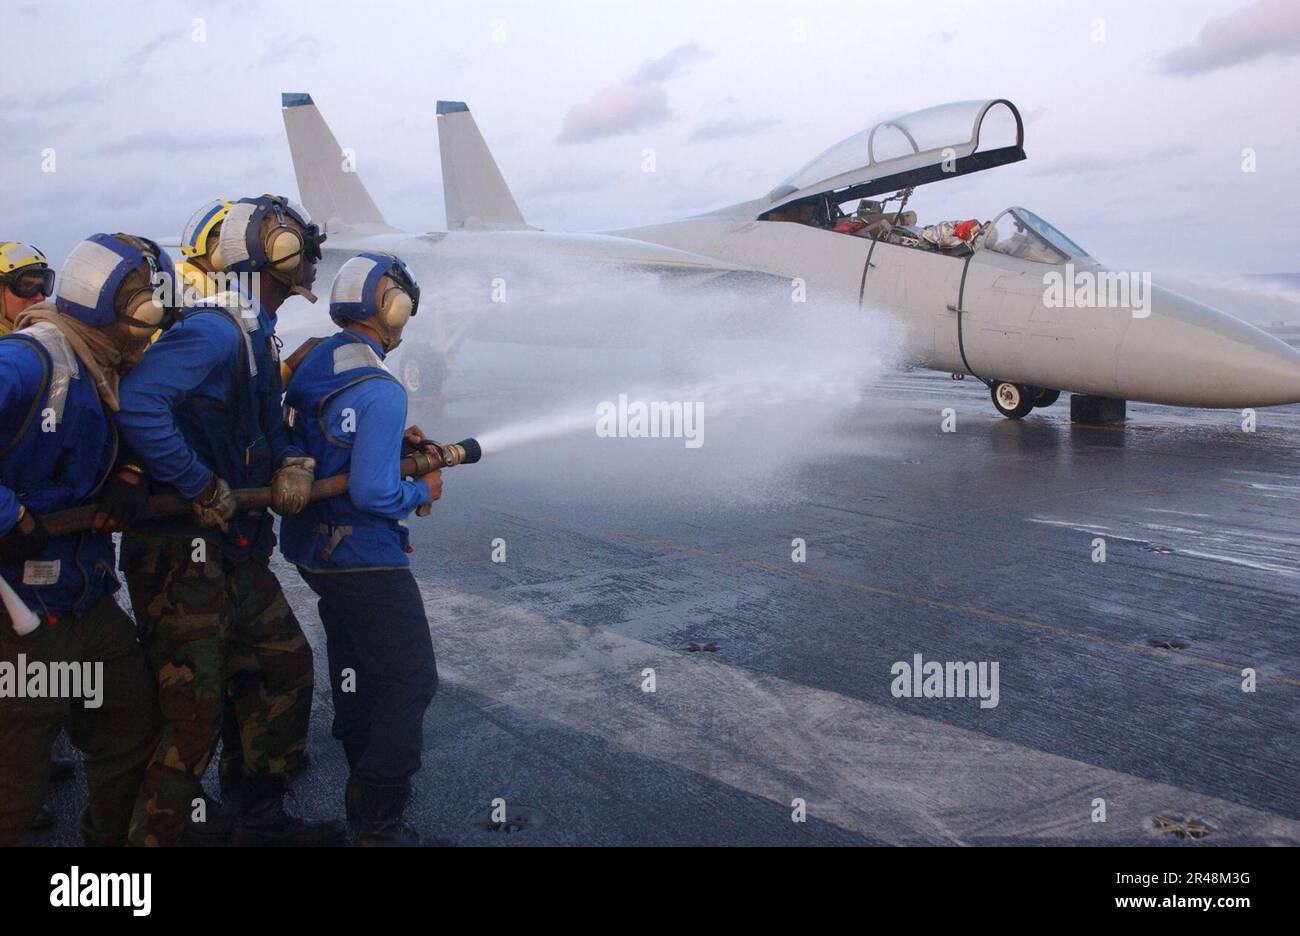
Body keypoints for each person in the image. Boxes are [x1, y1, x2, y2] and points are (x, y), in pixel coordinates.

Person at [115, 194, 344, 847]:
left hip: (233, 547)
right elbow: (140, 406)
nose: (304, 254)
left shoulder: (252, 331)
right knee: (193, 716)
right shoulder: (215, 330)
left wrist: (291, 461)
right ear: (270, 255)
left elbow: (262, 425)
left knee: (281, 667)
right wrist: (198, 483)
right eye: (292, 243)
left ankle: (258, 818)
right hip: (180, 555)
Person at [0, 233, 171, 846]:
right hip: (18, 608)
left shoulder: (104, 368)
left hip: (84, 598)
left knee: (131, 730)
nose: (154, 310)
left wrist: (131, 470)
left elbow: (129, 429)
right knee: (15, 783)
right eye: (146, 296)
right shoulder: (32, 359)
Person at [280, 252, 442, 845]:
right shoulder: (381, 388)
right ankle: (377, 821)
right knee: (409, 680)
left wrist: (389, 441)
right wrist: (420, 487)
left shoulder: (318, 357)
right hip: (365, 558)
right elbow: (375, 491)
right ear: (393, 306)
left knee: (353, 666)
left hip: (313, 554)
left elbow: (326, 432)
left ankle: (357, 778)